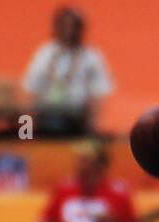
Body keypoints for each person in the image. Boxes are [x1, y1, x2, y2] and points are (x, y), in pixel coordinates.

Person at [22, 7, 112, 137]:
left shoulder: (90, 57)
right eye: (65, 26)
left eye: (73, 26)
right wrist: (28, 127)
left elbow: (97, 93)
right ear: (57, 27)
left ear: (80, 29)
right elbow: (31, 90)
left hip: (77, 121)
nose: (69, 31)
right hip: (45, 119)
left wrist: (92, 125)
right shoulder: (44, 54)